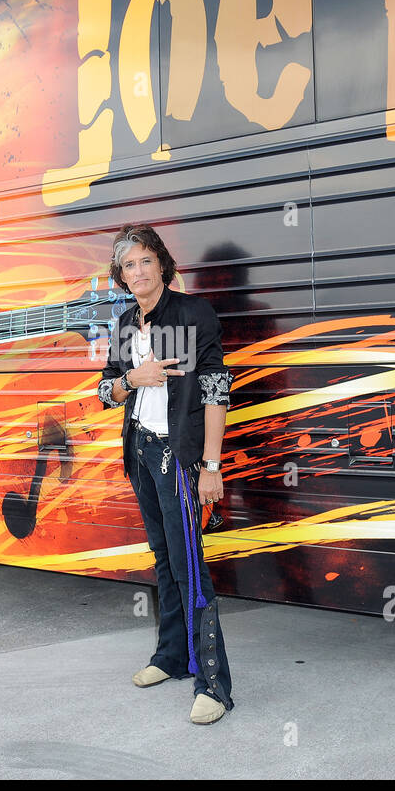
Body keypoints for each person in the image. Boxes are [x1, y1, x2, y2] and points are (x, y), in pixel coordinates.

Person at [98, 223, 235, 725]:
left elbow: (217, 392)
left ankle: (213, 685)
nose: (137, 272)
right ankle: (172, 657)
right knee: (163, 560)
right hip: (139, 452)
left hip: (178, 457)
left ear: (162, 264)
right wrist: (134, 378)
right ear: (121, 275)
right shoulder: (125, 324)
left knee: (189, 566)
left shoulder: (192, 314)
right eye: (127, 265)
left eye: (145, 261)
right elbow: (105, 390)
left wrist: (211, 466)